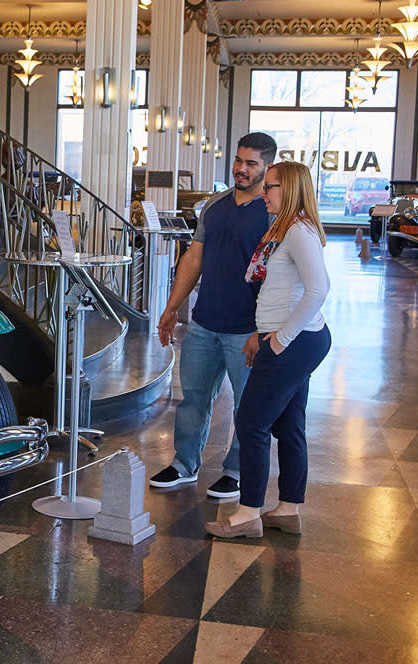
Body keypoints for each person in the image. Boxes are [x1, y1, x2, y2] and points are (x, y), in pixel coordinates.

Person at [206, 161, 332, 538]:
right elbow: (276, 293)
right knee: (289, 424)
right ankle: (289, 508)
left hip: (295, 342)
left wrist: (279, 339)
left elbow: (318, 290)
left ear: (291, 189)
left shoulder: (298, 231)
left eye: (272, 187)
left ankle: (248, 513)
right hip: (292, 339)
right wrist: (261, 334)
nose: (264, 193)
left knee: (251, 421)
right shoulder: (287, 229)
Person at [148, 132, 277, 499]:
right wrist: (172, 308)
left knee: (246, 406)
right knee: (192, 399)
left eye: (251, 163)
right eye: (239, 160)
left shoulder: (271, 213)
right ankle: (184, 464)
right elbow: (194, 258)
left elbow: (281, 274)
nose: (241, 168)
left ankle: (237, 471)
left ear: (266, 167)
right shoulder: (215, 206)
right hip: (205, 322)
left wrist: (264, 329)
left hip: (246, 328)